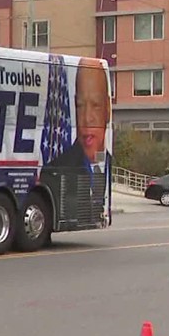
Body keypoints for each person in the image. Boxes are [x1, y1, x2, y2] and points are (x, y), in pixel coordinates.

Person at [40, 55, 111, 225]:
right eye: (80, 106)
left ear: (108, 109)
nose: (87, 118)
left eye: (95, 105)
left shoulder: (108, 163)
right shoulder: (54, 170)